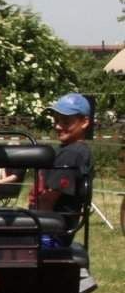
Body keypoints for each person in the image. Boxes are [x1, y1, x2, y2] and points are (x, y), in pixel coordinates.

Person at [29, 93, 92, 224]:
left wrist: (32, 227)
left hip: (51, 228)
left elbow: (48, 200)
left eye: (66, 121)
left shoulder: (72, 154)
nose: (58, 126)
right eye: (56, 120)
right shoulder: (68, 150)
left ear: (85, 122)